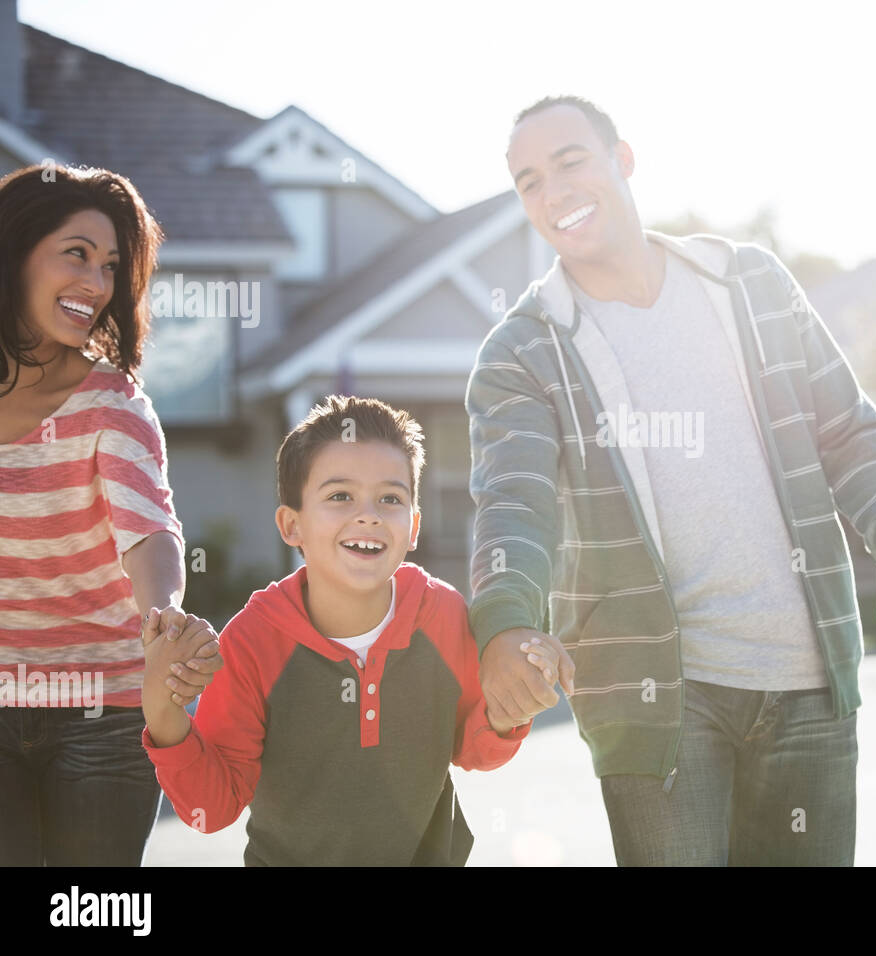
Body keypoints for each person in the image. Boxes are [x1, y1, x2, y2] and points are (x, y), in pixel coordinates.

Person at [466, 96, 876, 866]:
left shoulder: (749, 283)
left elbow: (846, 428)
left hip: (810, 682)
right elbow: (513, 504)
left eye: (569, 163)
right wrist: (505, 622)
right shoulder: (523, 350)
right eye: (528, 182)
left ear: (623, 160)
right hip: (655, 703)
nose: (551, 192)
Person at [141, 395, 535, 865]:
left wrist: (511, 708)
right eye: (339, 496)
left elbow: (475, 750)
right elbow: (213, 807)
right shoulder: (252, 642)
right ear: (292, 525)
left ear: (413, 526)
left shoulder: (444, 615)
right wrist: (163, 715)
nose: (367, 514)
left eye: (390, 498)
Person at [0, 164, 222, 866]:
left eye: (110, 266)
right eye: (76, 253)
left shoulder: (113, 402)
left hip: (105, 712)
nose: (96, 285)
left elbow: (149, 529)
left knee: (90, 915)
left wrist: (164, 619)